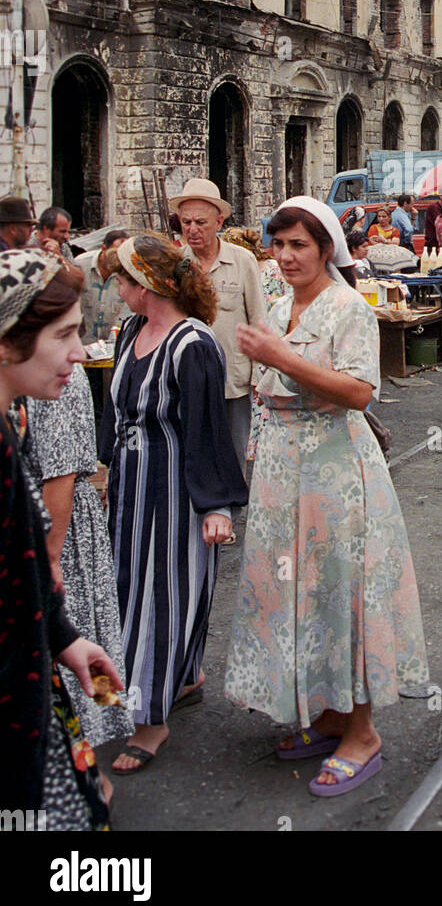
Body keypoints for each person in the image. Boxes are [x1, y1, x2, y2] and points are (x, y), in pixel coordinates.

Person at [224, 197, 429, 796]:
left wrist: (281, 358)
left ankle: (362, 732)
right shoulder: (279, 306)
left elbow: (360, 392)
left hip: (336, 472)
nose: (286, 256)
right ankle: (331, 714)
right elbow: (264, 393)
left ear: (325, 250)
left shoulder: (347, 308)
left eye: (300, 245)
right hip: (282, 471)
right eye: (279, 244)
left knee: (343, 593)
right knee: (300, 592)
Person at [101, 234, 248, 773]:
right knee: (126, 591)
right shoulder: (131, 331)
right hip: (130, 486)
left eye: (123, 280)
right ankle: (184, 679)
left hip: (175, 490)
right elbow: (114, 411)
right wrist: (104, 467)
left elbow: (208, 427)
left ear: (148, 285)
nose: (117, 289)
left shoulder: (193, 344)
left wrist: (216, 505)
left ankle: (149, 721)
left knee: (164, 596)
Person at [0, 250, 123, 826]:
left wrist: (64, 638)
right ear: (8, 342)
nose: (79, 351)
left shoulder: (15, 417)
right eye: (64, 335)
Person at [24, 363, 133, 752]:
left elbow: (61, 474)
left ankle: (92, 740)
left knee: (77, 627)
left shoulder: (51, 373)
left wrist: (51, 557)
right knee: (81, 627)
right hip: (54, 517)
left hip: (59, 522)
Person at [171, 178, 267, 473]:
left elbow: (258, 319)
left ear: (219, 221)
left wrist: (258, 375)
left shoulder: (242, 261)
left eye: (200, 222)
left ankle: (234, 502)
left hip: (232, 379)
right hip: (186, 379)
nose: (192, 229)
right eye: (186, 222)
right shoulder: (176, 265)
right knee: (191, 455)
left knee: (233, 457)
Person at [222, 227, 290, 476]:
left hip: (269, 340)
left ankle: (259, 452)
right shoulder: (241, 272)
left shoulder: (268, 269)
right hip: (255, 342)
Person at [77, 229, 131, 344]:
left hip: (110, 345)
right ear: (103, 249)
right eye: (115, 253)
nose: (119, 259)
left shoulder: (127, 273)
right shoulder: (80, 265)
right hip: (80, 343)